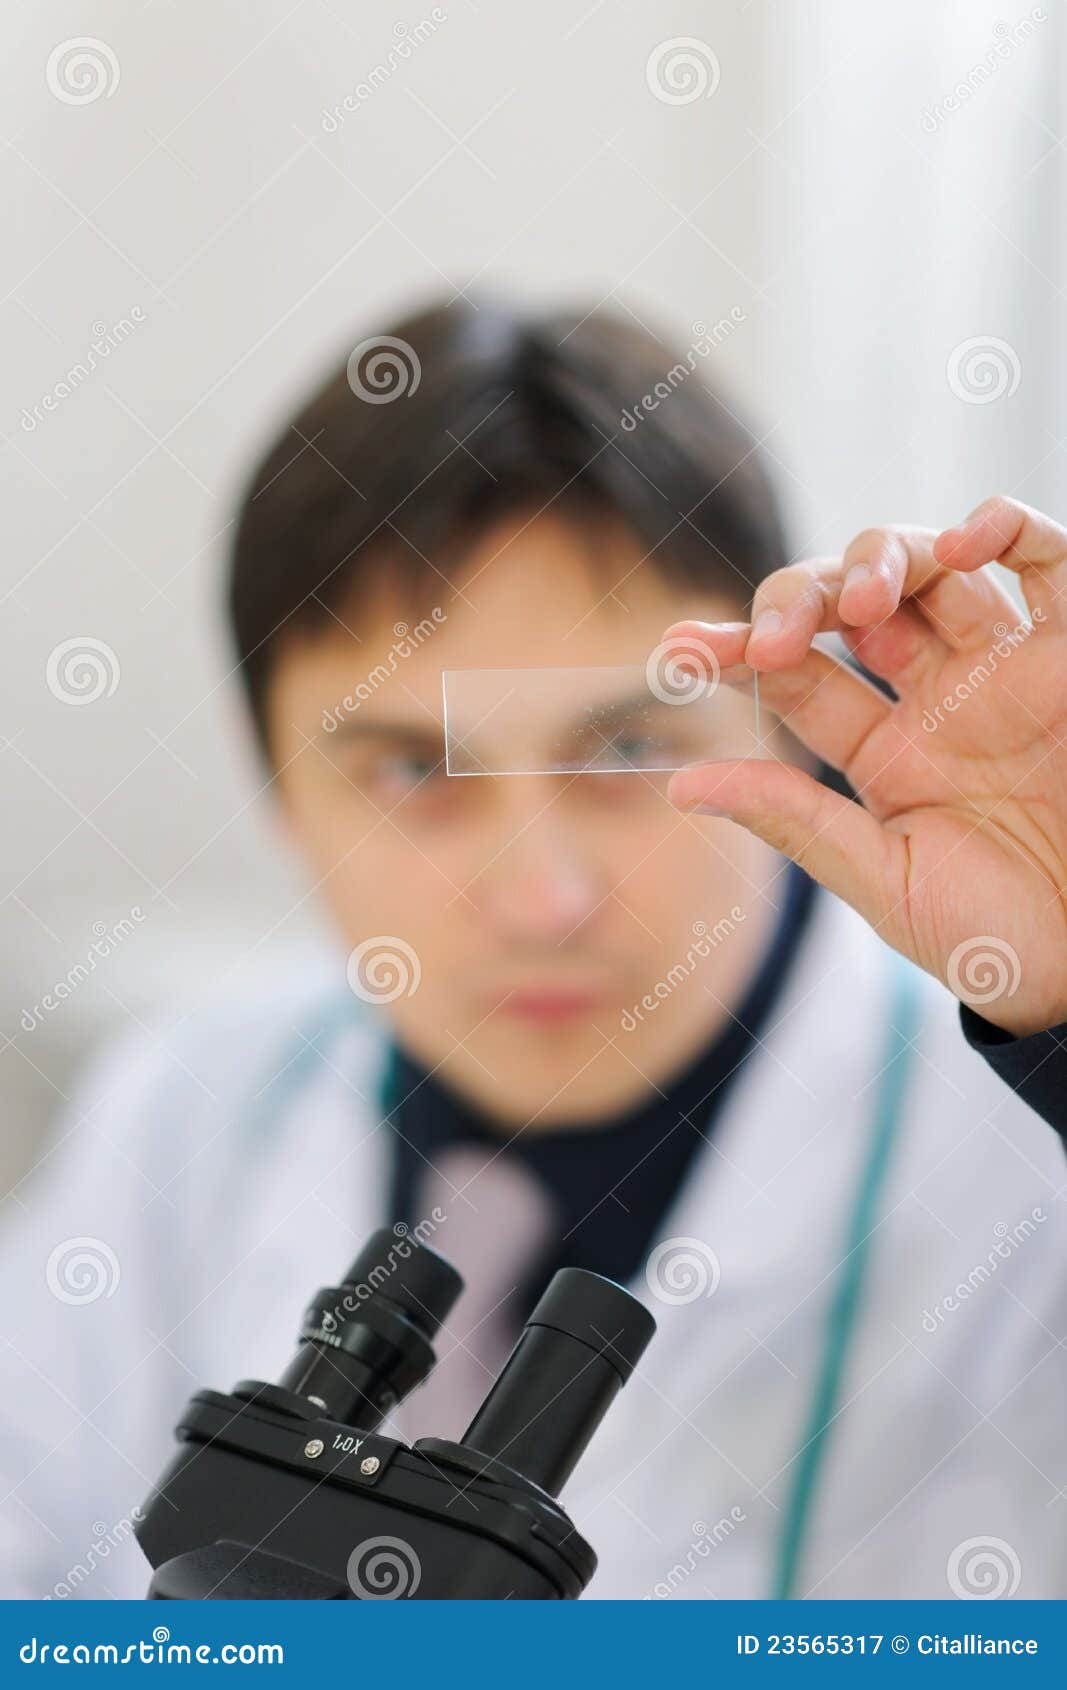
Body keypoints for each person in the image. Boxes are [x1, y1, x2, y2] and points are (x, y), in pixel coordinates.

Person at [1, 300, 1065, 1603]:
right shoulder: (177, 1120)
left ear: (790, 731)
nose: (543, 899)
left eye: (627, 750)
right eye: (413, 770)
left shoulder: (1025, 1167)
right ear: (274, 785)